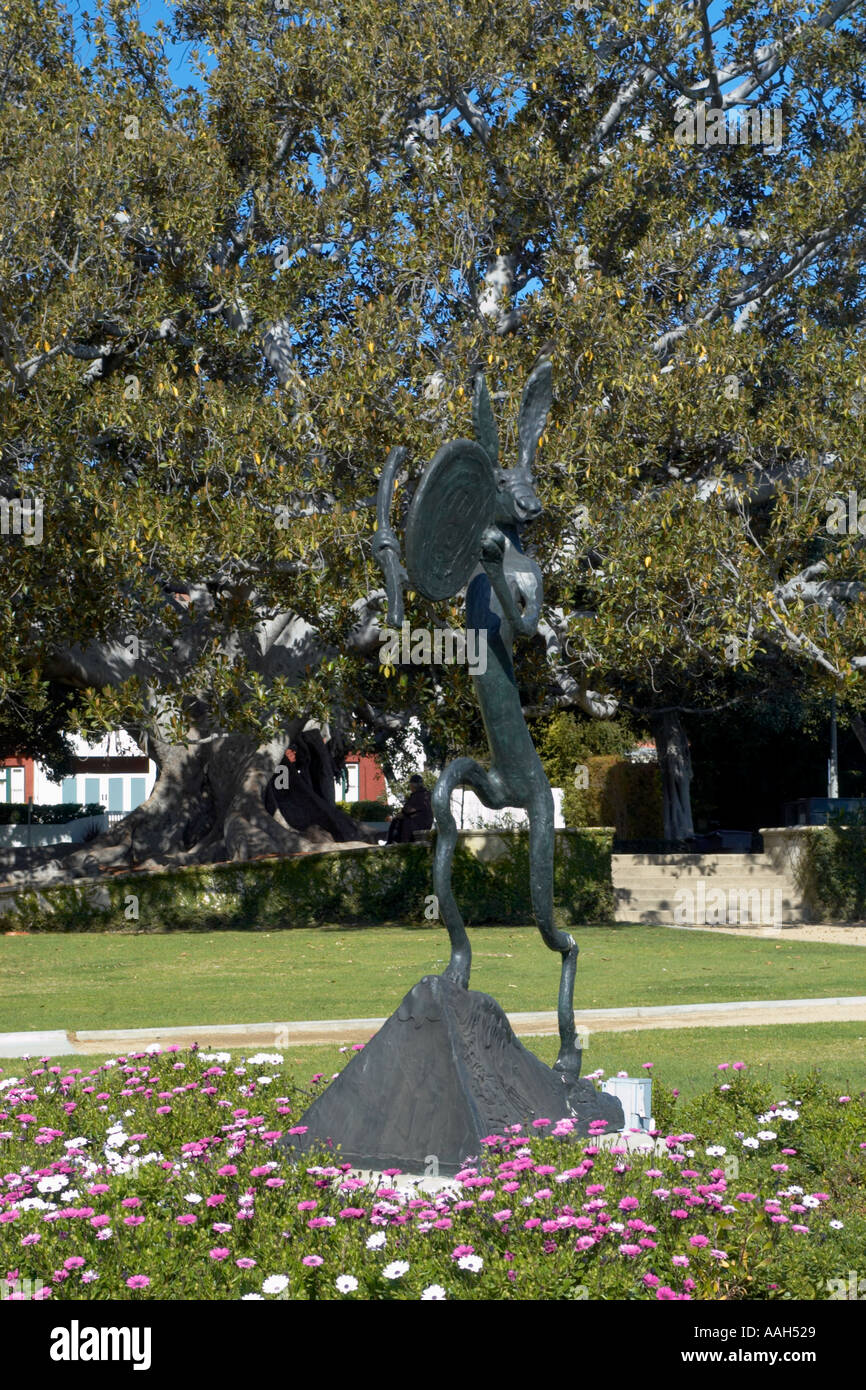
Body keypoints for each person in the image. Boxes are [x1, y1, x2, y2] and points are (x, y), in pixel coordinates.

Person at [385, 775, 433, 843]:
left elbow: (407, 810)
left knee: (396, 820)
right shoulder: (427, 794)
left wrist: (401, 814)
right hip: (426, 823)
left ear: (413, 785)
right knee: (400, 819)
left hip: (418, 824)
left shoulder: (417, 795)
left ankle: (391, 842)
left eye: (410, 785)